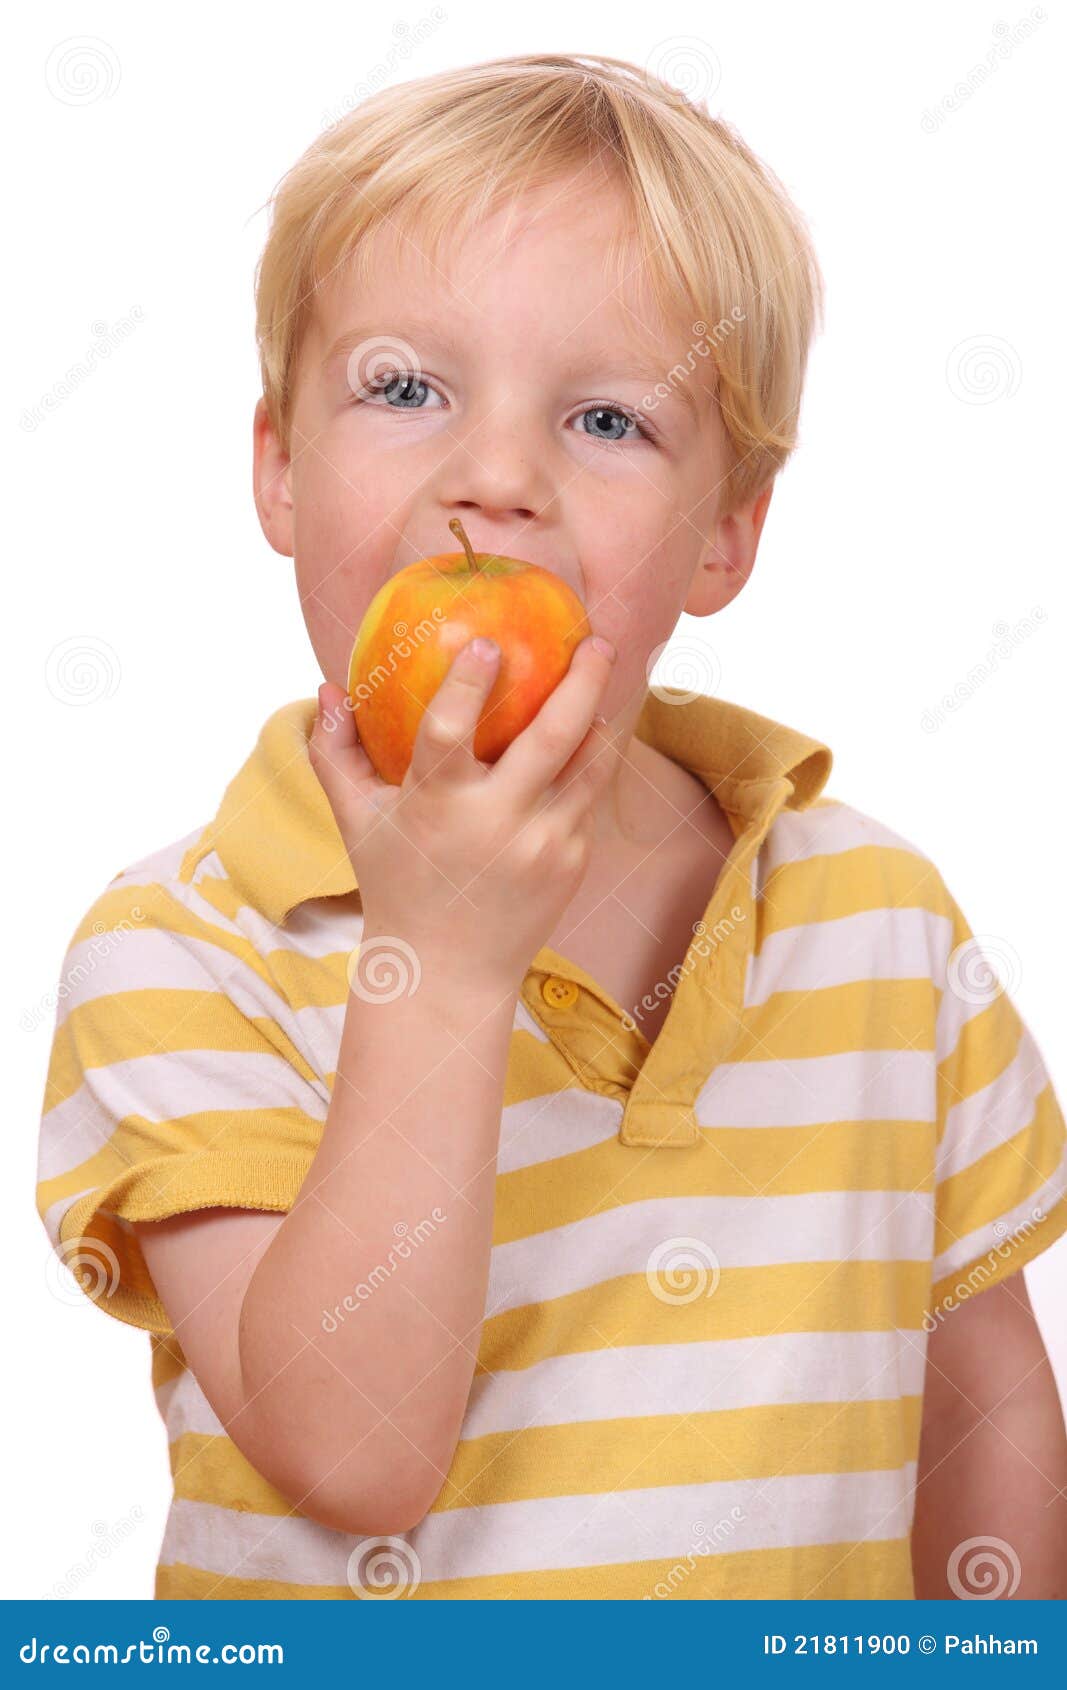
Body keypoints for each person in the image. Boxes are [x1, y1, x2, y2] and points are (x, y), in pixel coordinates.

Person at [35, 51, 1067, 1600]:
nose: (497, 478)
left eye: (603, 419)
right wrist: (440, 970)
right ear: (278, 472)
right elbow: (350, 1450)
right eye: (405, 388)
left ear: (727, 531)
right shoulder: (185, 949)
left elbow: (983, 1403)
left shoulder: (876, 916)